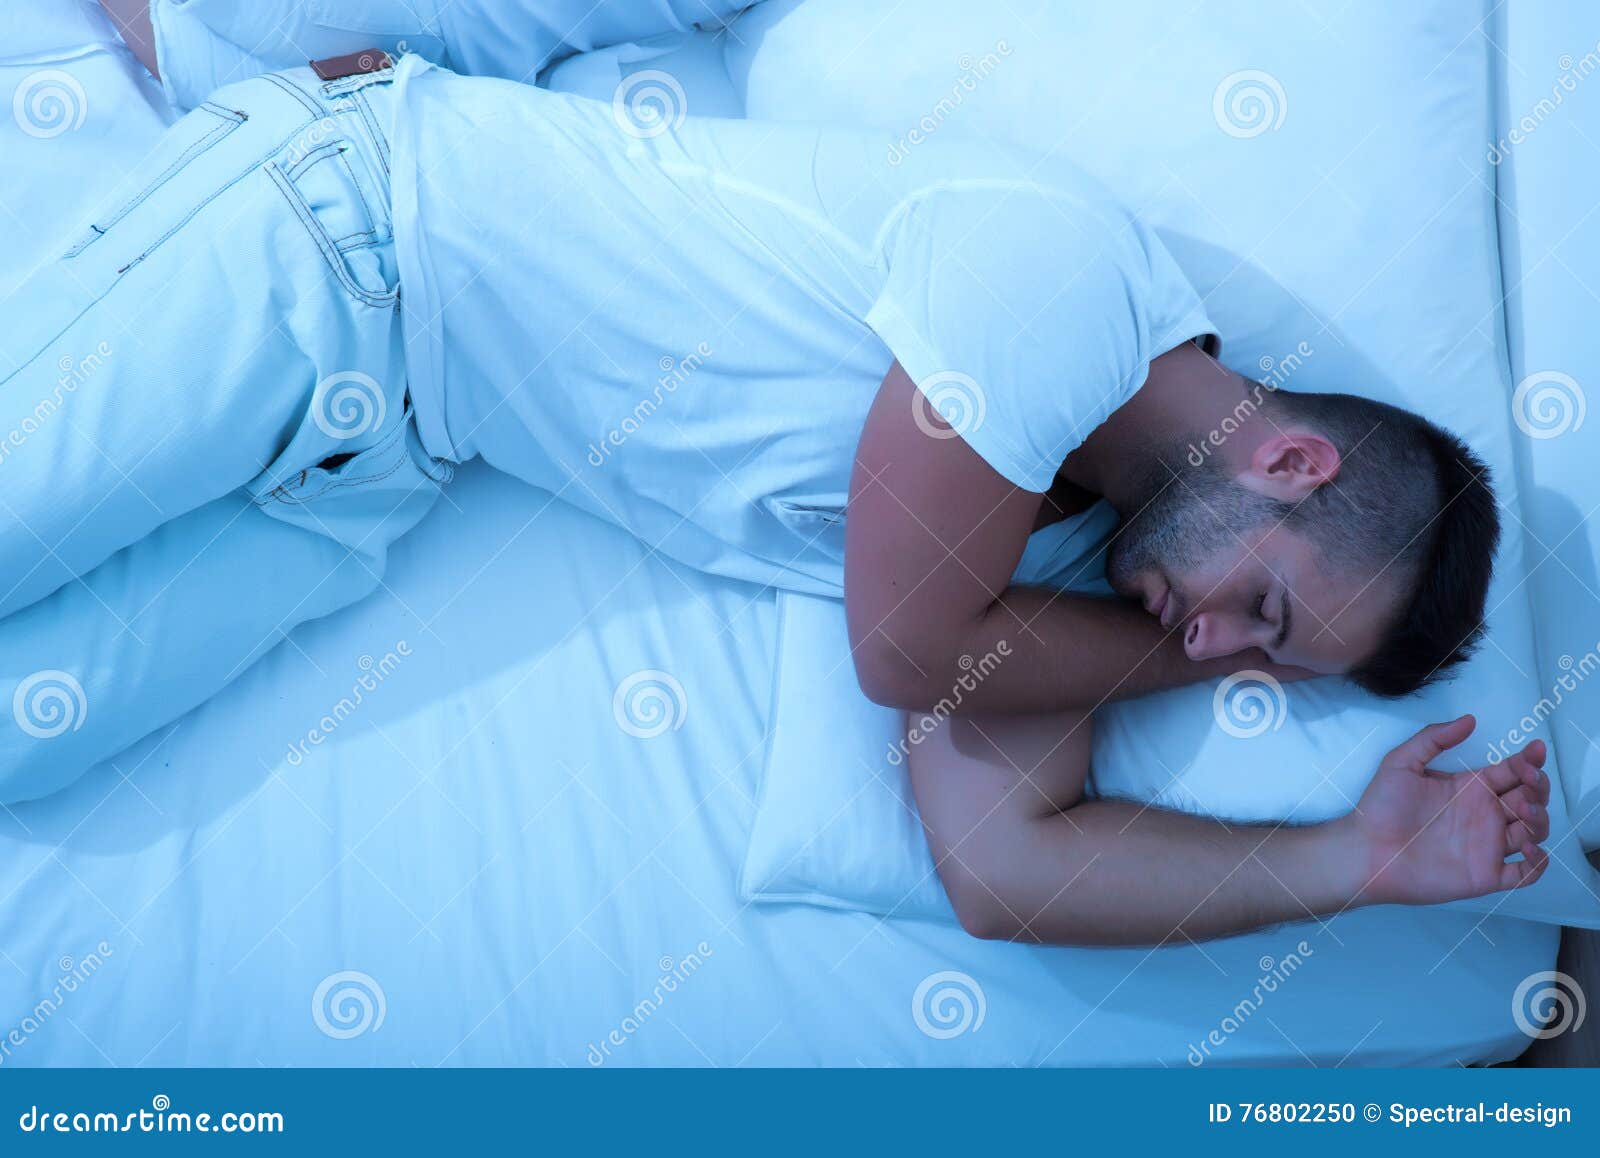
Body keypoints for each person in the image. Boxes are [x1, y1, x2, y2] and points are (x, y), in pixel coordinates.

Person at [0, 12, 1548, 943]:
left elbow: (1006, 868)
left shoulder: (1065, 572)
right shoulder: (1066, 286)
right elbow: (904, 652)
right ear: (1286, 457)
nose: (1212, 653)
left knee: (28, 734)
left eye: (1257, 655)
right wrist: (1159, 658)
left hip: (379, 458)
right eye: (1263, 607)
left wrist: (1355, 859)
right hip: (338, 235)